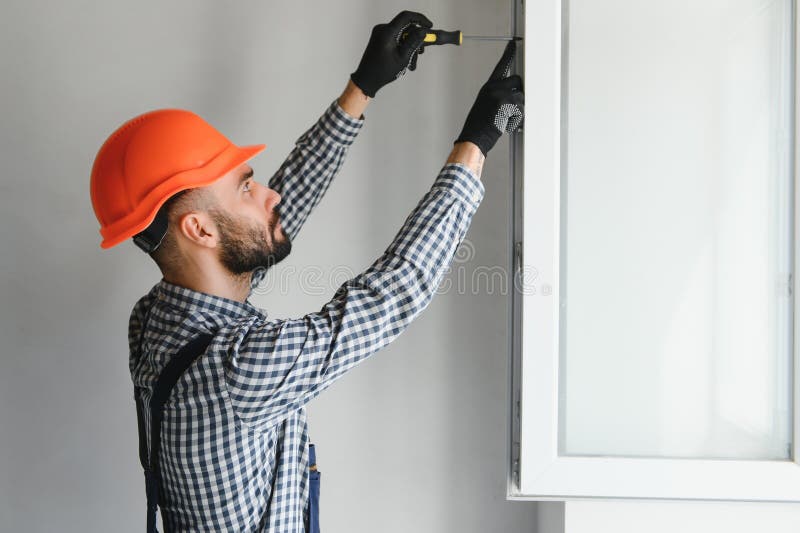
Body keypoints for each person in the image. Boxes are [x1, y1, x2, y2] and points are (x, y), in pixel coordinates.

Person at [89, 10, 523, 533]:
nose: (269, 192)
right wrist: (474, 145)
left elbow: (265, 221)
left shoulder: (158, 317)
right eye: (247, 187)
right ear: (200, 230)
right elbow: (390, 296)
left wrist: (362, 88)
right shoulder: (236, 371)